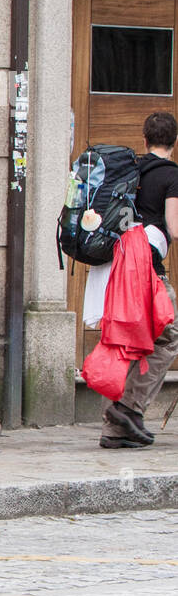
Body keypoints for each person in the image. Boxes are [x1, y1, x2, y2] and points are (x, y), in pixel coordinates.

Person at [99, 111, 178, 449]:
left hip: (121, 267)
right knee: (169, 336)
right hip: (150, 271)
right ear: (174, 143)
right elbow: (174, 226)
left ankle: (114, 430)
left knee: (131, 340)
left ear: (145, 141)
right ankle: (129, 407)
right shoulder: (172, 176)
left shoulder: (131, 170)